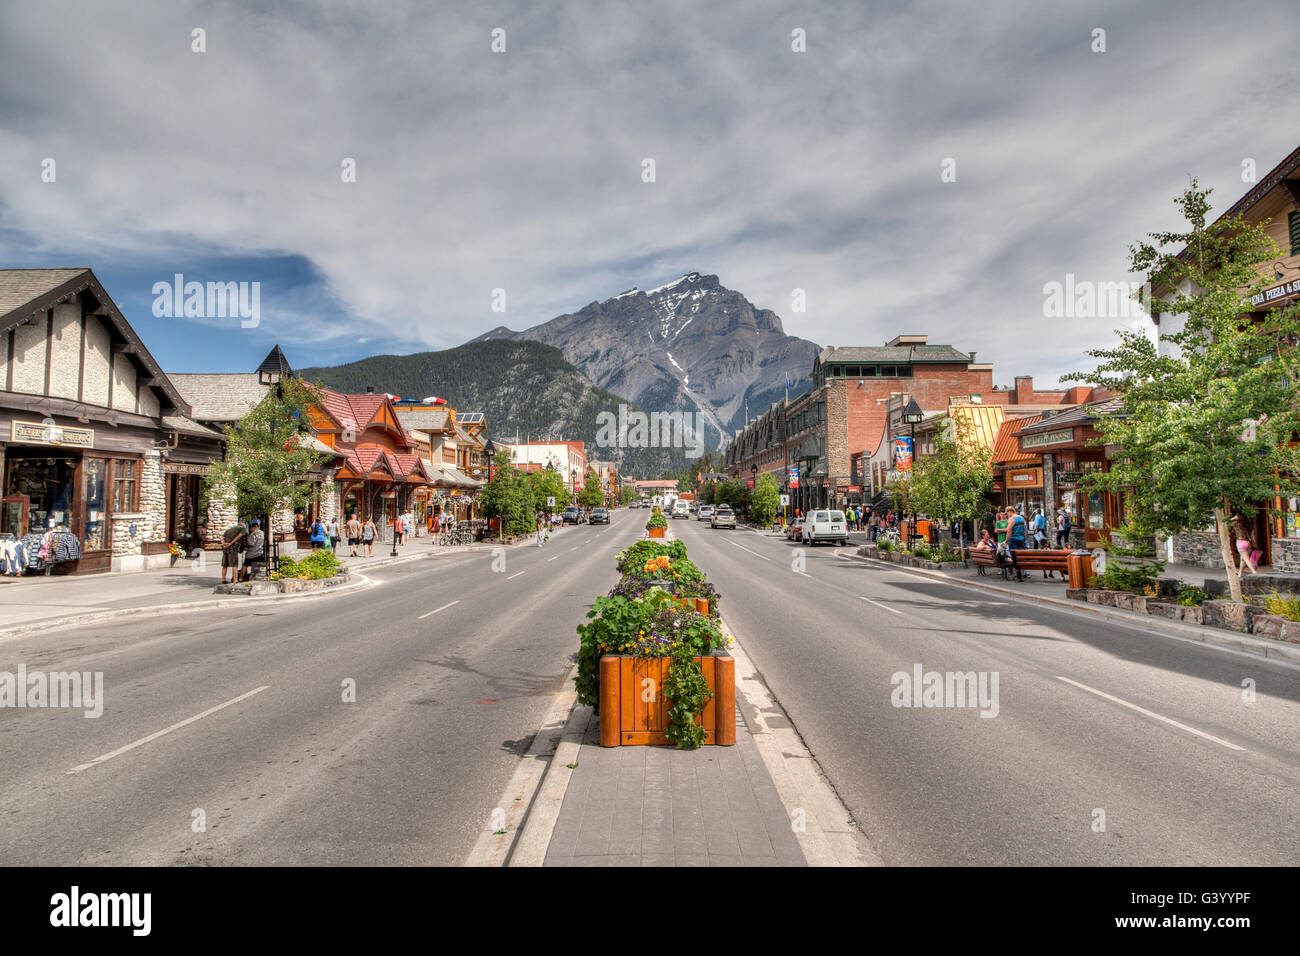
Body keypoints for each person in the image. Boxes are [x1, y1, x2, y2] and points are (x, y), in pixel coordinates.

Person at [1006, 504, 1028, 581]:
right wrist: (1024, 538)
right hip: (1021, 539)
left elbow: (1009, 531)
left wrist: (1006, 541)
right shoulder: (1022, 519)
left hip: (1013, 539)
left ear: (1010, 511)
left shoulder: (1011, 519)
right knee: (1020, 556)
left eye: (1007, 513)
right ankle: (1021, 572)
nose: (1007, 515)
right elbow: (1025, 530)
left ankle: (1016, 573)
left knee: (1013, 557)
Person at [220, 520, 246, 584]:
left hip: (225, 548)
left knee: (225, 564)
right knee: (234, 564)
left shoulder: (229, 530)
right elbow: (239, 536)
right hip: (232, 548)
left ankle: (223, 579)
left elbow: (222, 538)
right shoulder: (243, 529)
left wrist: (224, 544)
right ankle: (235, 580)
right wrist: (231, 543)